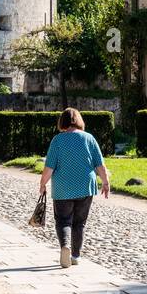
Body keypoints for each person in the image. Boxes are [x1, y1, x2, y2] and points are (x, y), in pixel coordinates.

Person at [38, 108, 110, 268]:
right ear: (79, 121)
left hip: (63, 188)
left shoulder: (57, 141)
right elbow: (100, 165)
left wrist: (43, 184)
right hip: (85, 186)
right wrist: (105, 182)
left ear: (62, 122)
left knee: (63, 221)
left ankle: (65, 246)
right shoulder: (89, 138)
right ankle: (76, 256)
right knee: (80, 223)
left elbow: (49, 167)